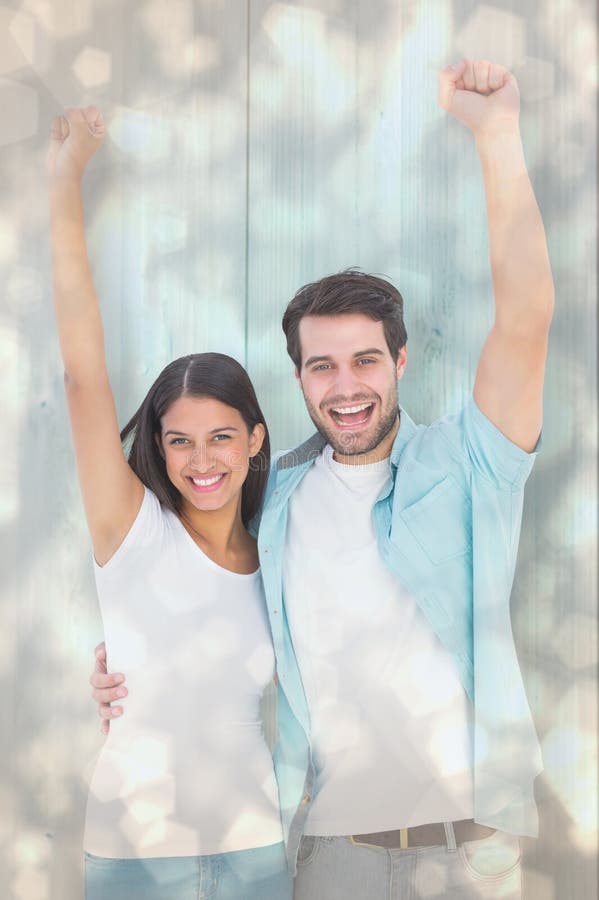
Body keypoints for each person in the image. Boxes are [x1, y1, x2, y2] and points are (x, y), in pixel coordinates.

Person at [93, 58, 553, 899]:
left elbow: (525, 318)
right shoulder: (275, 503)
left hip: (469, 854)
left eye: (366, 360)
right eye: (322, 366)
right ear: (299, 378)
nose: (346, 388)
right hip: (328, 853)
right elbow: (200, 593)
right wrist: (127, 663)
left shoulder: (472, 465)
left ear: (401, 360)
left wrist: (496, 137)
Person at [48, 107, 293, 900]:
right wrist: (64, 180)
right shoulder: (133, 531)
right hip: (132, 856)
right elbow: (84, 376)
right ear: (157, 447)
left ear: (255, 440)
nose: (200, 460)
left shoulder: (280, 548)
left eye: (220, 437)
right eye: (178, 441)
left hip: (254, 851)